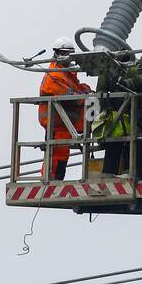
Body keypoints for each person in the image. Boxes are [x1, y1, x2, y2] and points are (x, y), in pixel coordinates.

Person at [38, 37, 91, 180]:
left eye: (69, 54)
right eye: (65, 54)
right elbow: (65, 93)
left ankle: (55, 179)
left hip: (65, 124)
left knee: (61, 155)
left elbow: (76, 88)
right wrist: (81, 96)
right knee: (56, 155)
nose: (68, 57)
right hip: (57, 123)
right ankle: (51, 181)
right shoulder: (54, 74)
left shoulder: (66, 73)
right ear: (57, 54)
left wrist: (85, 90)